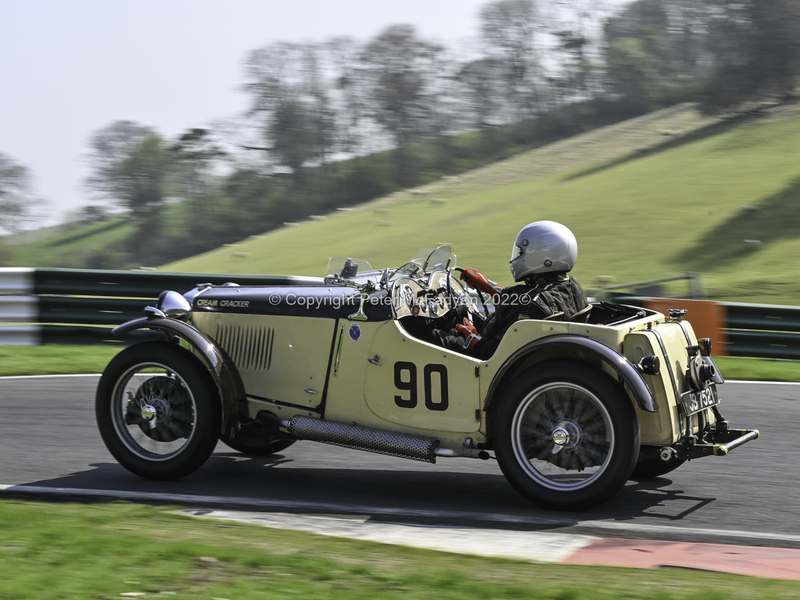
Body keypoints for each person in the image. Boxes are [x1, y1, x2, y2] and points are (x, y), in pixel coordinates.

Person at [434, 221, 588, 359]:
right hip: (552, 355)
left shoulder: (532, 307)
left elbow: (498, 354)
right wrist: (487, 285)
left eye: (521, 252)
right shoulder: (571, 286)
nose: (516, 258)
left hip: (487, 359)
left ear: (542, 256)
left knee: (433, 336)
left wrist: (472, 338)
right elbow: (525, 298)